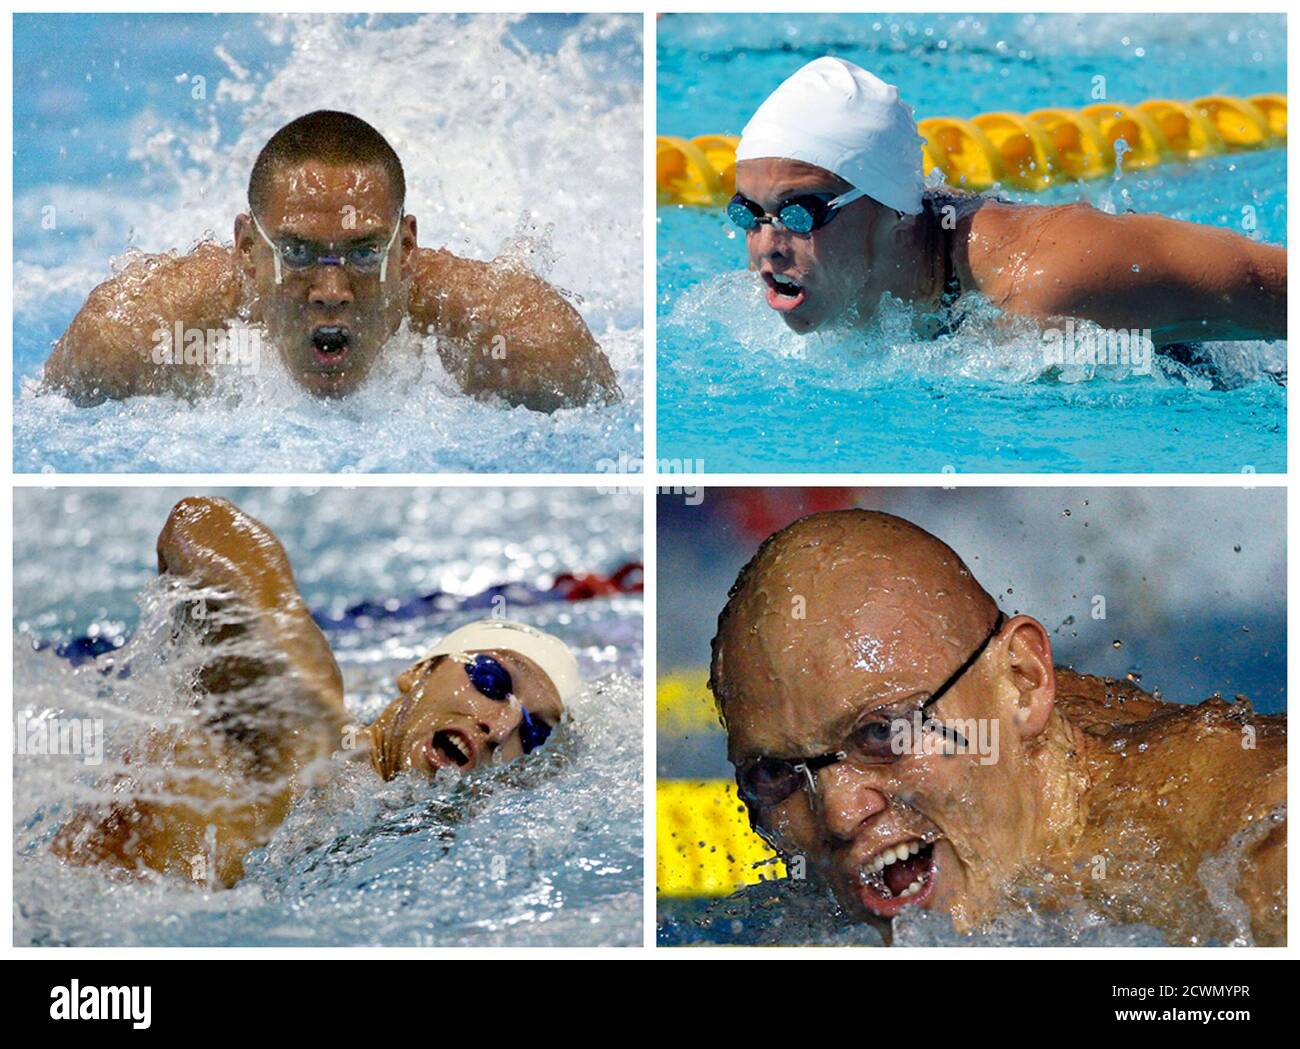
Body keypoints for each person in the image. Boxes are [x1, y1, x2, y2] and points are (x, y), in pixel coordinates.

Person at [710, 509, 1286, 945]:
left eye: (881, 734)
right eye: (776, 772)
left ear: (1025, 682)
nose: (837, 813)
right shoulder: (975, 714)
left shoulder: (1251, 859)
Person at [52, 496, 577, 888]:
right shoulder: (294, 732)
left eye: (533, 732)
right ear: (418, 673)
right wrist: (291, 655)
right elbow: (198, 521)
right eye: (492, 681)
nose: (501, 725)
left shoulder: (389, 845)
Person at [43, 110, 619, 412]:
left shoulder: (526, 346)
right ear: (247, 250)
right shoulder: (131, 340)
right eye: (296, 252)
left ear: (406, 249)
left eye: (365, 252)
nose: (331, 290)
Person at [729, 57, 1287, 348]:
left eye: (801, 211)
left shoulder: (1054, 277)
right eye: (748, 213)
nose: (766, 247)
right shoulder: (838, 279)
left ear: (896, 211)